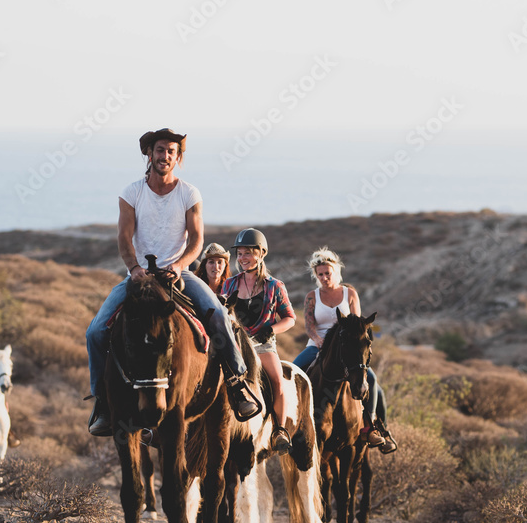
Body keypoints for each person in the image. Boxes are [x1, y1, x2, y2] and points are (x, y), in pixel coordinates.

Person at [84, 128, 259, 436]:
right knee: (96, 331)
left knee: (217, 315)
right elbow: (124, 237)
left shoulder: (189, 193)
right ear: (149, 155)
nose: (165, 156)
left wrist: (179, 265)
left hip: (180, 273)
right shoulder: (132, 192)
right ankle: (103, 403)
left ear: (178, 158)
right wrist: (134, 267)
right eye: (160, 150)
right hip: (138, 277)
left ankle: (237, 384)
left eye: (171, 152)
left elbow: (197, 239)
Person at [292, 247, 397, 454]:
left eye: (327, 273)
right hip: (319, 346)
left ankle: (373, 427)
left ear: (335, 271)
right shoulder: (312, 297)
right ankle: (290, 425)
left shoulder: (350, 294)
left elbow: (358, 325)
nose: (324, 277)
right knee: (294, 372)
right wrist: (319, 340)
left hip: (347, 348)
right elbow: (309, 326)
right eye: (319, 274)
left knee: (372, 380)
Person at [220, 229, 297, 453]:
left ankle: (280, 430)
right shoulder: (230, 285)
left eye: (248, 253)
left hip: (262, 344)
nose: (243, 258)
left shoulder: (275, 286)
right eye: (240, 254)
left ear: (261, 254)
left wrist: (271, 329)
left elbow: (290, 319)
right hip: (234, 345)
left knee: (277, 381)